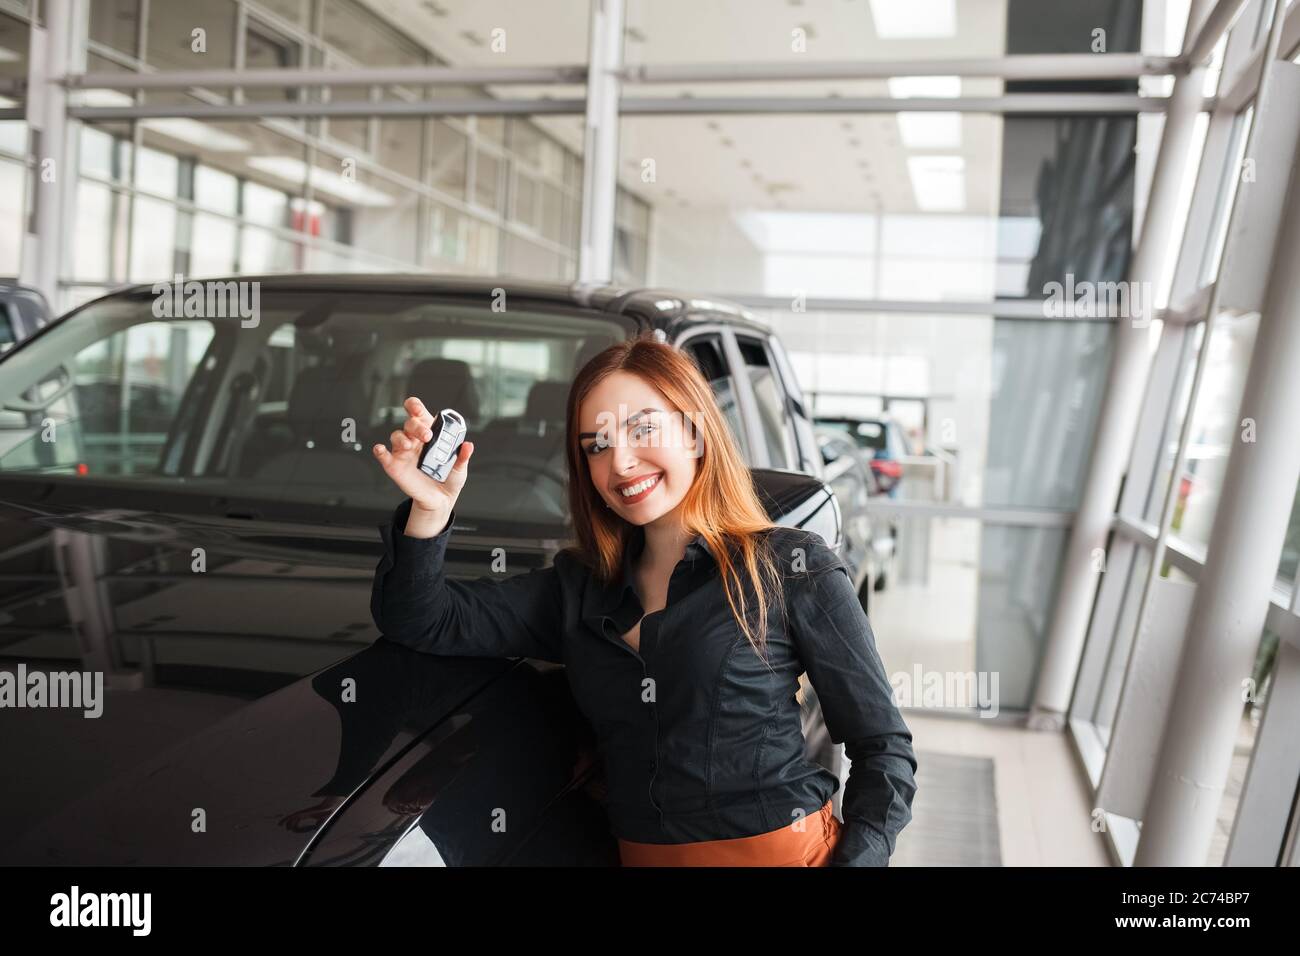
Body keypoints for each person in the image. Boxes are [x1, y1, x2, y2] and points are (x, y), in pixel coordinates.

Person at [369, 332, 917, 866]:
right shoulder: (577, 586)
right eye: (597, 446)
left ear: (697, 433)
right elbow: (422, 619)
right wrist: (431, 510)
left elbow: (884, 748)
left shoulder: (791, 568)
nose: (621, 462)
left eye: (642, 429)